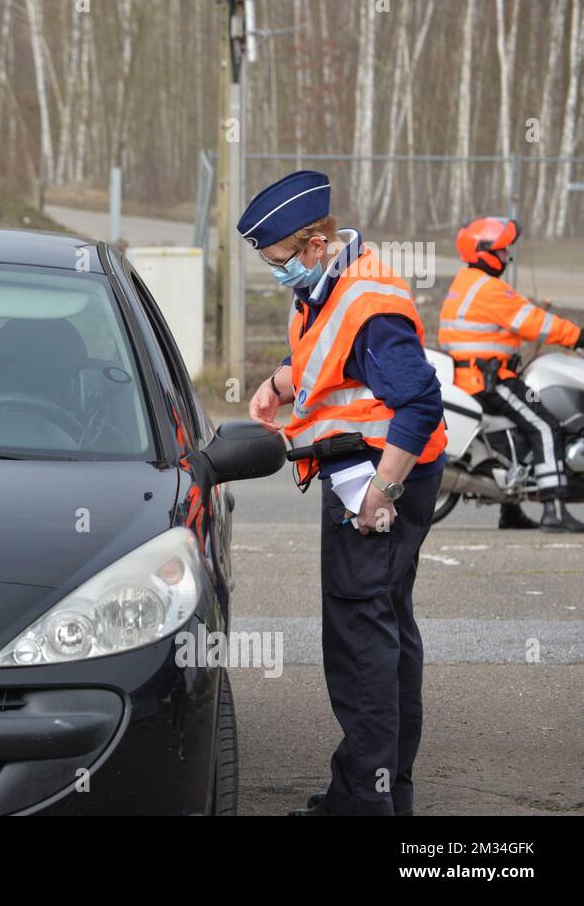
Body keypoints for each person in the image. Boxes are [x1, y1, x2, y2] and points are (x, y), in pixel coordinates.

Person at [241, 170, 447, 816]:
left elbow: (420, 402)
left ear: (311, 245)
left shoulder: (369, 302)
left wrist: (382, 490)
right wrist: (278, 385)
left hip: (378, 489)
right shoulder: (330, 284)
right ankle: (381, 790)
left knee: (362, 645)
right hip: (358, 477)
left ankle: (366, 803)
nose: (275, 275)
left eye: (276, 262)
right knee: (383, 634)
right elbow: (325, 359)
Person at [438, 217, 584, 532]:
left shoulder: (465, 282)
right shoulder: (489, 289)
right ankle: (554, 510)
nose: (507, 258)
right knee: (545, 425)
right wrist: (577, 337)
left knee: (520, 432)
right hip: (488, 380)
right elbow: (536, 323)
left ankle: (511, 512)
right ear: (485, 252)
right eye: (503, 252)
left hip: (473, 376)